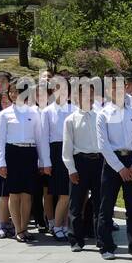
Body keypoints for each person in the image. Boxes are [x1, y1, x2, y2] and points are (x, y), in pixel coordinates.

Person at [0, 78, 50, 243]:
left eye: (18, 91)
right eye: (12, 91)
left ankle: (24, 227)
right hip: (13, 153)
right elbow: (0, 141)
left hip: (29, 154)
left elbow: (40, 139)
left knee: (27, 195)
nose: (14, 94)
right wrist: (1, 163)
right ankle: (18, 229)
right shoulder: (5, 114)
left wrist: (44, 162)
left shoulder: (34, 113)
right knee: (14, 194)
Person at [95, 76, 132, 260]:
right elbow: (103, 145)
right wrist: (119, 168)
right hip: (112, 163)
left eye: (120, 86)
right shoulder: (103, 113)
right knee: (106, 205)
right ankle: (105, 245)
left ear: (126, 87)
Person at [62, 76, 105, 253]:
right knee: (76, 203)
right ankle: (76, 239)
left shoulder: (100, 116)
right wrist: (71, 169)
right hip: (80, 162)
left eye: (90, 95)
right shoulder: (71, 119)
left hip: (99, 161)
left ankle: (101, 237)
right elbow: (67, 147)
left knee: (100, 203)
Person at [40, 77, 74, 240]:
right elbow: (44, 139)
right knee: (63, 193)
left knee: (71, 192)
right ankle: (57, 225)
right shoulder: (47, 111)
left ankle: (66, 224)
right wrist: (46, 162)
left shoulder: (74, 108)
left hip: (73, 151)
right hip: (56, 152)